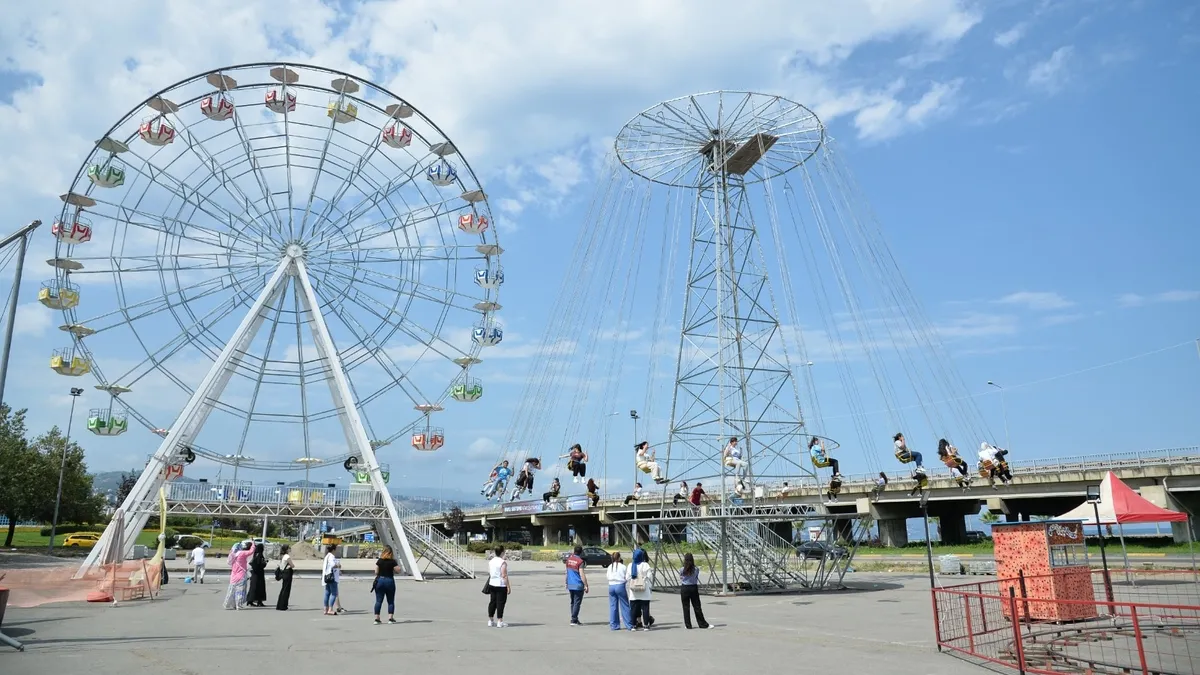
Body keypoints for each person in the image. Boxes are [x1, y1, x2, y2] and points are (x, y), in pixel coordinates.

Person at [679, 552, 712, 629]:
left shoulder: (682, 569)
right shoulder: (696, 569)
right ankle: (702, 624)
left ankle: (688, 625)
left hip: (684, 588)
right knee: (697, 606)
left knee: (686, 607)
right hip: (693, 587)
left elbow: (681, 578)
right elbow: (696, 577)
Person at [626, 547, 653, 630]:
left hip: (634, 591)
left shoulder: (631, 565)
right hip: (644, 590)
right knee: (645, 608)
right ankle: (646, 625)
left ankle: (633, 625)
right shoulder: (645, 565)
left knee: (633, 609)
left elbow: (627, 577)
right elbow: (650, 576)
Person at [606, 552, 633, 631]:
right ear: (619, 558)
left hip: (611, 586)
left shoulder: (610, 566)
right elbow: (627, 577)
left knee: (613, 606)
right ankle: (629, 624)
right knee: (625, 605)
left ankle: (614, 625)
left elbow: (607, 577)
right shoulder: (623, 567)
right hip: (620, 585)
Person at [223, 542, 254, 610]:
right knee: (240, 591)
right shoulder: (242, 554)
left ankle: (230, 604)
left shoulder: (232, 555)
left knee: (232, 590)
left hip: (233, 576)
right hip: (241, 575)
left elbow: (229, 563)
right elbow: (251, 551)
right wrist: (253, 544)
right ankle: (238, 605)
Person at [373, 545, 399, 625]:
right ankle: (390, 618)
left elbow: (376, 572)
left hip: (380, 580)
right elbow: (398, 570)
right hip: (389, 580)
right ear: (391, 552)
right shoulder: (392, 561)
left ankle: (377, 619)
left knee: (378, 601)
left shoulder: (380, 561)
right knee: (390, 601)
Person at [486, 545, 510, 627]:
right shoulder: (502, 562)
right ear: (502, 552)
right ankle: (500, 621)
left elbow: (489, 572)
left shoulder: (491, 561)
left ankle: (490, 620)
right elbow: (504, 575)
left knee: (492, 602)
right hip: (501, 584)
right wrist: (508, 586)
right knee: (500, 603)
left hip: (492, 583)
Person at [564, 545, 589, 626]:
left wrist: (566, 582)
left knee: (573, 602)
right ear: (581, 552)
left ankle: (574, 618)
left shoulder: (568, 560)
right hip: (578, 585)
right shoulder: (580, 561)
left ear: (574, 551)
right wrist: (586, 585)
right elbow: (581, 574)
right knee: (577, 603)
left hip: (570, 584)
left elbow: (567, 572)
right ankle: (574, 619)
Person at [322, 544, 341, 616]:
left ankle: (325, 609)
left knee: (327, 593)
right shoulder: (331, 556)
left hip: (326, 576)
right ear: (333, 550)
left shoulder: (327, 556)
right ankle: (330, 609)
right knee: (334, 593)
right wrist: (338, 565)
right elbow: (333, 565)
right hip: (332, 577)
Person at [246, 543, 267, 607]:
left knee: (253, 587)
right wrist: (264, 563)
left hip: (254, 574)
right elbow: (259, 564)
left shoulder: (255, 554)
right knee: (260, 588)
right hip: (259, 574)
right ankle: (259, 601)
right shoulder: (260, 555)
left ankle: (251, 601)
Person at [275, 544, 294, 611]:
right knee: (286, 590)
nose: (290, 549)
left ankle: (280, 605)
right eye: (289, 548)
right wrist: (291, 565)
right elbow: (292, 565)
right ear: (286, 549)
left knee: (283, 589)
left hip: (284, 573)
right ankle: (283, 605)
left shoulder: (282, 556)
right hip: (288, 573)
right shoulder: (287, 556)